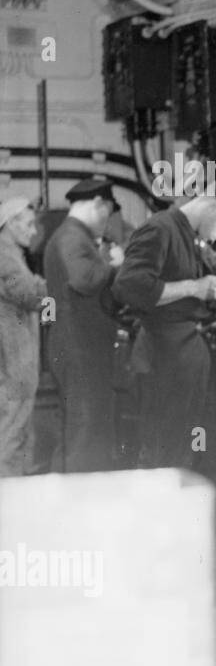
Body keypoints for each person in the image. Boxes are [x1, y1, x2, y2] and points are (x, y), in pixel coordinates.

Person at [111, 188, 216, 484]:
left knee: (200, 447)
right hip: (167, 362)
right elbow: (127, 286)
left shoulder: (188, 235)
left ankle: (197, 521)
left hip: (188, 358)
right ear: (211, 205)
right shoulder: (160, 228)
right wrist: (194, 288)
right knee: (170, 453)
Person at [43, 178, 125, 472]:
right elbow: (83, 279)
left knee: (79, 428)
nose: (107, 221)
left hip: (76, 345)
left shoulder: (69, 236)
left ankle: (66, 504)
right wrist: (114, 263)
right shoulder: (72, 237)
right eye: (108, 212)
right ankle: (78, 508)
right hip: (80, 347)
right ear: (98, 204)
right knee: (86, 429)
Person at [0, 196, 47, 477]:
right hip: (14, 362)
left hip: (16, 361)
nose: (33, 231)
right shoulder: (5, 256)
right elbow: (30, 293)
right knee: (11, 436)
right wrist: (45, 286)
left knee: (16, 434)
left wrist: (39, 286)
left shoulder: (12, 254)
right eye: (28, 225)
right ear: (11, 223)